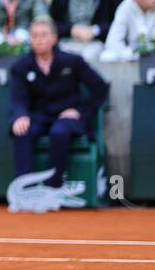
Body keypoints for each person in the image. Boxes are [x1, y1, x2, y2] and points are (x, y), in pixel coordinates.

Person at [8, 17, 109, 192]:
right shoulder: (20, 66)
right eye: (35, 36)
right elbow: (18, 99)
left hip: (67, 117)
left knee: (59, 131)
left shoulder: (72, 61)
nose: (39, 39)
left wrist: (80, 112)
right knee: (22, 130)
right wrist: (20, 115)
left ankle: (53, 187)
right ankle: (25, 188)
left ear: (54, 38)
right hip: (38, 116)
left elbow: (100, 88)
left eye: (44, 35)